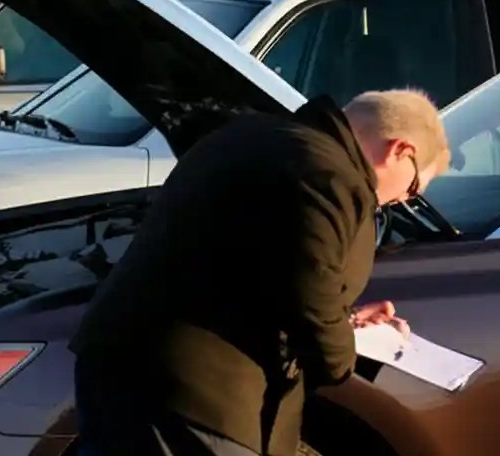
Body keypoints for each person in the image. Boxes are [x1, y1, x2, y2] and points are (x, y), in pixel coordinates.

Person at [70, 90, 449, 456]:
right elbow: (311, 298)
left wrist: (346, 322)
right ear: (401, 150)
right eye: (414, 189)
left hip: (120, 368)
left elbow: (262, 274)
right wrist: (344, 353)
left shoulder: (254, 137)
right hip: (195, 397)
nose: (402, 201)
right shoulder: (328, 175)